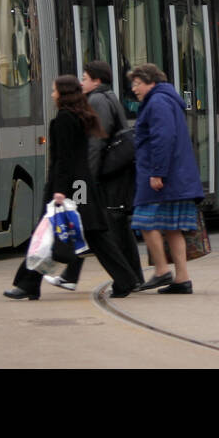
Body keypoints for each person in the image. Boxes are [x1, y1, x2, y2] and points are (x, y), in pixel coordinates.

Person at [4, 76, 141, 300]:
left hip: (67, 186)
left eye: (54, 90)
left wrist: (59, 190)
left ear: (63, 93)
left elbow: (63, 160)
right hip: (80, 184)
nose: (52, 94)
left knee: (49, 231)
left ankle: (28, 283)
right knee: (94, 234)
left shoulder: (64, 120)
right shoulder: (80, 116)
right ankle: (125, 279)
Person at [128, 63, 204, 294]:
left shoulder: (158, 103)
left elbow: (163, 138)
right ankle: (182, 279)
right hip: (177, 176)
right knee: (173, 228)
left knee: (144, 221)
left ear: (151, 82)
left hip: (162, 176)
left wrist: (157, 172)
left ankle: (162, 270)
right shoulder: (166, 99)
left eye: (138, 83)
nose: (134, 89)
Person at [83, 60, 145, 287]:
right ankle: (133, 276)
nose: (82, 83)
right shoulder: (109, 96)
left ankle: (127, 278)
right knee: (118, 224)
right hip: (118, 169)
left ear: (96, 80)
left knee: (112, 226)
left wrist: (90, 175)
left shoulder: (97, 100)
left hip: (109, 172)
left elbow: (97, 141)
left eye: (85, 78)